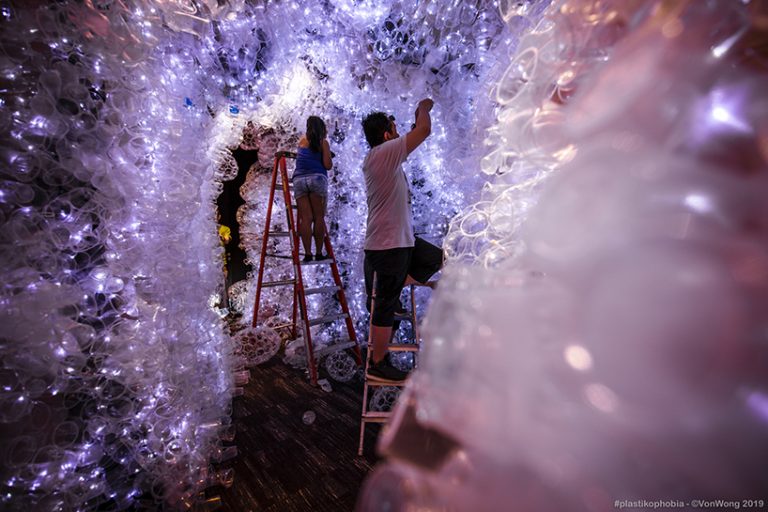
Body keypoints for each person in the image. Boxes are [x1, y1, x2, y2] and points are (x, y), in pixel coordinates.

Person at [361, 99, 443, 382]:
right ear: (386, 135)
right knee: (385, 305)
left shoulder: (385, 157)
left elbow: (411, 135)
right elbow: (423, 131)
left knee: (436, 258)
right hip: (388, 244)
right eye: (394, 130)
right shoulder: (383, 153)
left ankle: (400, 282)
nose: (398, 135)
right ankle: (377, 363)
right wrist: (423, 108)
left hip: (401, 241)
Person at [293, 116, 333, 262]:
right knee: (318, 217)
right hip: (317, 178)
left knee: (306, 218)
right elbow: (328, 165)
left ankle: (307, 254)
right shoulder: (323, 143)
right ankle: (319, 253)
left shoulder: (301, 142)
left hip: (299, 180)